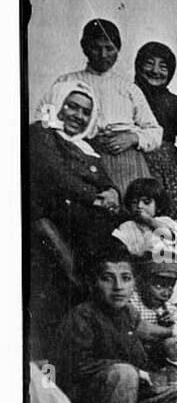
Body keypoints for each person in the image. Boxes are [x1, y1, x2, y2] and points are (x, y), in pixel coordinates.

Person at [54, 243, 177, 403]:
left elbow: (144, 332)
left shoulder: (127, 312)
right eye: (107, 279)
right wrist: (129, 371)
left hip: (131, 396)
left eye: (126, 278)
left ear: (134, 283)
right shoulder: (82, 316)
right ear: (93, 283)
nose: (118, 287)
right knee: (123, 373)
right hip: (90, 399)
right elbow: (72, 367)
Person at [27, 80, 120, 353]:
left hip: (88, 223)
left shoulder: (85, 146)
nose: (78, 116)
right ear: (57, 103)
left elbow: (105, 180)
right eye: (71, 106)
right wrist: (96, 198)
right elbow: (54, 175)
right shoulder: (41, 133)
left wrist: (112, 192)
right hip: (54, 221)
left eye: (85, 112)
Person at [45, 19, 161, 194]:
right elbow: (45, 124)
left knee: (132, 215)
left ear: (118, 49)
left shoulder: (129, 88)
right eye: (96, 48)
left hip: (128, 164)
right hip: (80, 159)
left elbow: (155, 131)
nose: (103, 54)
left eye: (110, 48)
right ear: (85, 48)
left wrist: (132, 138)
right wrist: (84, 136)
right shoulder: (66, 82)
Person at [113, 177, 177, 324]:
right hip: (144, 273)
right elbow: (120, 245)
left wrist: (149, 221)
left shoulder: (165, 222)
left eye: (146, 202)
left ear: (158, 206)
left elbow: (172, 236)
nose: (139, 206)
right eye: (135, 202)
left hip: (170, 270)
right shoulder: (128, 226)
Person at [133, 41, 177, 221]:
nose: (156, 71)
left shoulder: (175, 103)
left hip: (167, 173)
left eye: (163, 66)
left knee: (167, 224)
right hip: (132, 163)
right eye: (149, 63)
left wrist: (171, 156)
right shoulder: (126, 95)